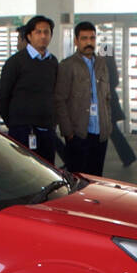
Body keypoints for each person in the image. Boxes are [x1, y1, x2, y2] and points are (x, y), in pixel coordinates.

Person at [0, 15, 58, 163]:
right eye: (38, 32)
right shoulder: (15, 62)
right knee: (24, 171)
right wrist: (16, 123)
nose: (43, 36)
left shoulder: (52, 62)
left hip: (47, 130)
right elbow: (1, 97)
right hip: (22, 132)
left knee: (48, 172)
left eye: (46, 32)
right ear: (29, 36)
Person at [54, 21, 112, 176]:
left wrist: (108, 123)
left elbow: (107, 96)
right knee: (79, 179)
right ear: (76, 41)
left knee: (97, 179)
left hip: (100, 133)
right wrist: (68, 132)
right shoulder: (67, 65)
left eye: (92, 38)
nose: (89, 43)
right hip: (79, 133)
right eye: (84, 38)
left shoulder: (101, 63)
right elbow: (60, 99)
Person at [102, 49, 137, 168]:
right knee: (113, 132)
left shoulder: (102, 66)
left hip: (106, 103)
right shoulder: (112, 66)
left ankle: (128, 156)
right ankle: (128, 156)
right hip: (111, 102)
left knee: (112, 132)